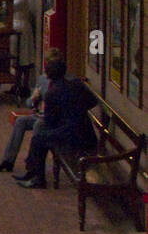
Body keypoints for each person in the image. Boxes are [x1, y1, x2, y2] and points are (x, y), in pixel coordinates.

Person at [15, 56, 98, 189]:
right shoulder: (76, 84)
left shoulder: (52, 94)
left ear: (48, 75)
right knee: (41, 135)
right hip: (86, 132)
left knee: (39, 138)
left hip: (70, 136)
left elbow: (50, 121)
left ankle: (38, 178)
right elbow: (93, 101)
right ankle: (32, 173)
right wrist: (78, 110)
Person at [0, 49, 65, 173]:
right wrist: (34, 98)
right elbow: (29, 104)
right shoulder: (43, 79)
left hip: (53, 119)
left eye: (51, 64)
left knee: (39, 126)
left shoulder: (64, 82)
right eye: (47, 64)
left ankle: (33, 165)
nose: (48, 68)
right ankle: (8, 160)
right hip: (40, 115)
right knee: (21, 121)